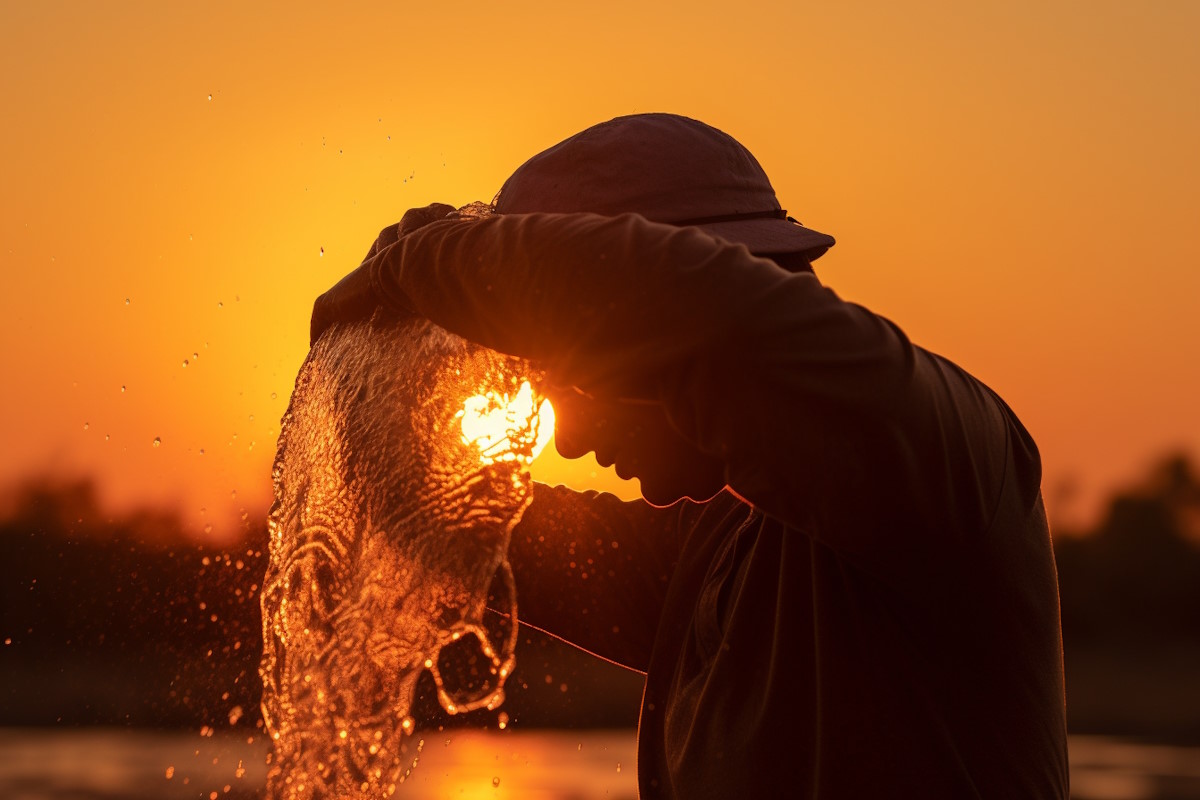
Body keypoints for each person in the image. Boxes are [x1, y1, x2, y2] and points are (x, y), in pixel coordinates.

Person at [311, 114, 1069, 798]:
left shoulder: (947, 457)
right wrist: (366, 355)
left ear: (648, 334)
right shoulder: (705, 558)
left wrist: (416, 266)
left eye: (573, 373)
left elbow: (685, 293)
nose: (566, 437)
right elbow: (426, 509)